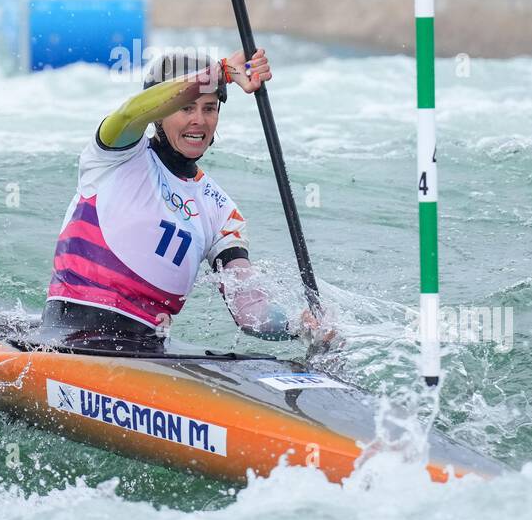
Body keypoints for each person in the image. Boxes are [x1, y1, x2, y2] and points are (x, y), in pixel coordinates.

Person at [41, 49, 330, 352]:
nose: (199, 121)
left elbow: (250, 310)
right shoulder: (116, 154)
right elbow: (131, 111)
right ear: (160, 114)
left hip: (147, 350)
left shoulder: (221, 210)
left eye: (209, 108)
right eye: (186, 108)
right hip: (67, 336)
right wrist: (219, 73)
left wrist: (299, 325)